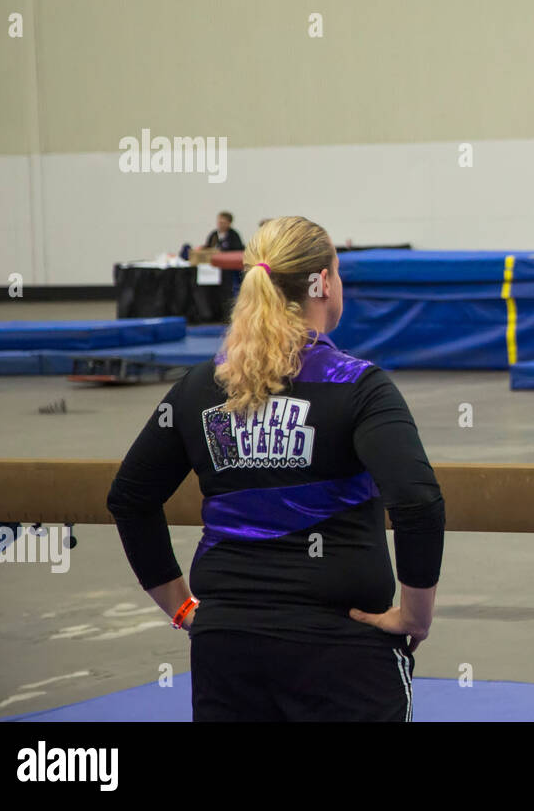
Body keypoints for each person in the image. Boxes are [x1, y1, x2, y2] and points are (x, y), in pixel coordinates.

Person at [106, 216, 444, 721]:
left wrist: (183, 608)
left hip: (228, 650)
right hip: (340, 650)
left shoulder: (201, 387)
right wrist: (415, 617)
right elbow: (417, 501)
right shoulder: (358, 387)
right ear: (324, 283)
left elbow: (130, 497)